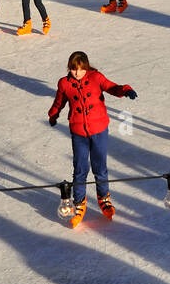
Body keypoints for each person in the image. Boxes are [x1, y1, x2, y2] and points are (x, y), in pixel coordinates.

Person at [47, 51, 138, 228]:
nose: (77, 73)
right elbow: (59, 102)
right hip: (78, 131)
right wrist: (53, 114)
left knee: (100, 167)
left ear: (86, 68)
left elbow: (111, 87)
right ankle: (79, 202)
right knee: (80, 168)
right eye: (73, 70)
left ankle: (104, 198)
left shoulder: (96, 77)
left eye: (80, 70)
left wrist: (125, 90)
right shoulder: (64, 83)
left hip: (99, 129)